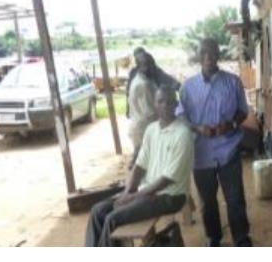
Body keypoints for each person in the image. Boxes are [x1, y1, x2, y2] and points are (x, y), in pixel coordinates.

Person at [86, 84, 194, 247]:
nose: (165, 105)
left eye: (169, 102)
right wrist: (128, 191)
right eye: (160, 101)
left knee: (112, 219)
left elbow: (166, 180)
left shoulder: (183, 134)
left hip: (170, 196)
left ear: (176, 105)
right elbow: (140, 165)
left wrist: (133, 197)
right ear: (155, 105)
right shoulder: (151, 130)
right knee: (97, 211)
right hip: (147, 191)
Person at [178, 39, 252, 247]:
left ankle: (241, 237)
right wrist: (197, 128)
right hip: (201, 155)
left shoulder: (233, 82)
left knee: (235, 198)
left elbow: (243, 112)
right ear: (199, 56)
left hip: (229, 150)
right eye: (204, 53)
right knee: (207, 202)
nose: (208, 57)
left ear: (218, 54)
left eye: (212, 53)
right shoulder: (188, 88)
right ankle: (214, 238)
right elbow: (181, 117)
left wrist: (229, 125)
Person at [126, 48, 179, 166]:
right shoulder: (143, 85)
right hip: (144, 129)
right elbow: (151, 113)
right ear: (139, 67)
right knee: (150, 164)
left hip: (143, 127)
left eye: (152, 64)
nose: (151, 67)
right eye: (146, 65)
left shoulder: (145, 79)